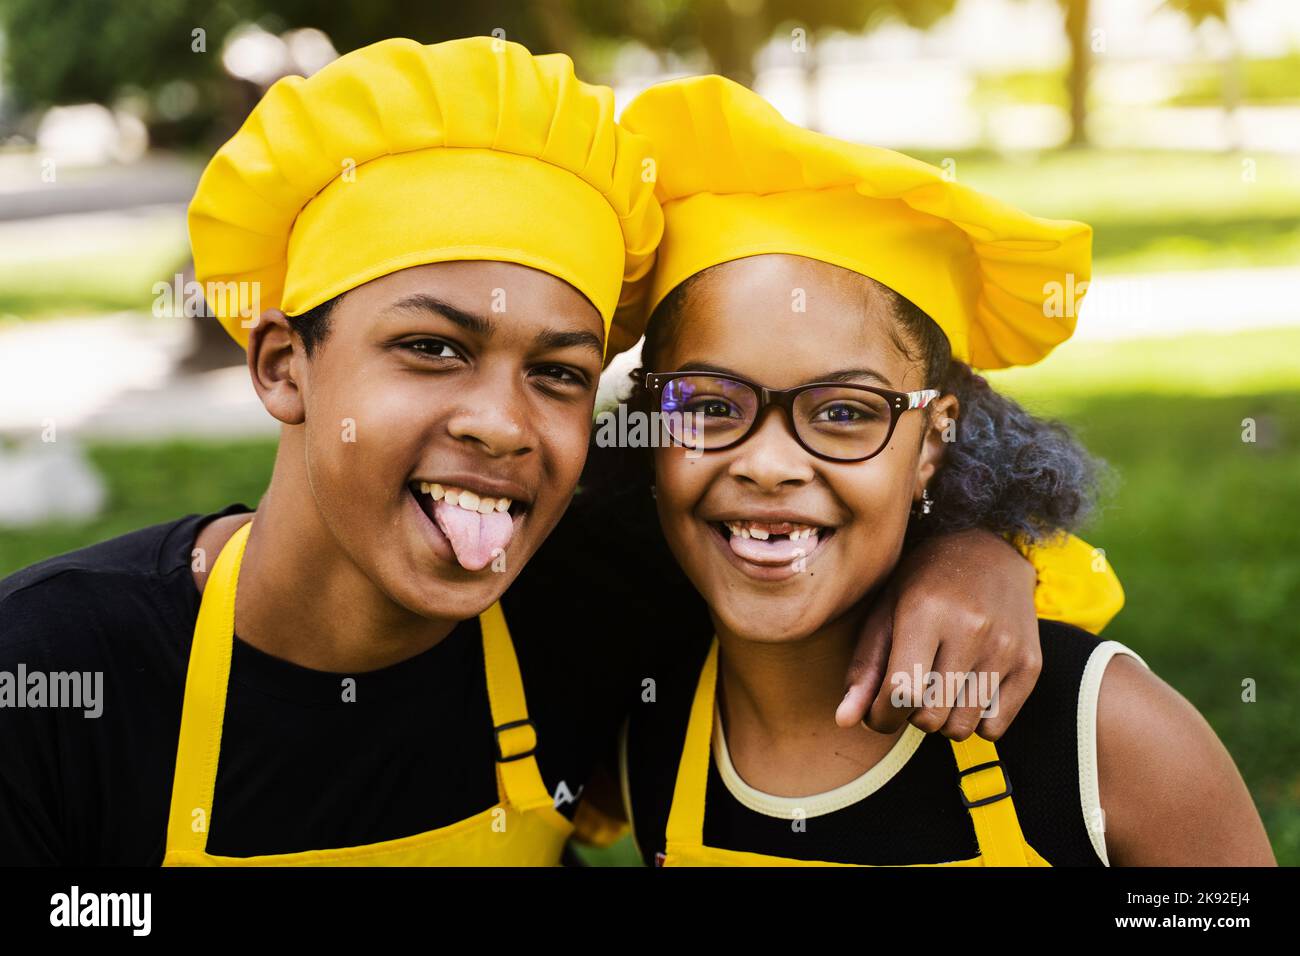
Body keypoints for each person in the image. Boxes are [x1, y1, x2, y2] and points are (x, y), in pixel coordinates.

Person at [0, 37, 1119, 867]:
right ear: (284, 365)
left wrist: (972, 552)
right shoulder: (53, 675)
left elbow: (811, 538)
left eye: (559, 373)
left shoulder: (588, 611)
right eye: (433, 347)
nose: (502, 421)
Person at [614, 75, 1275, 866]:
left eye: (844, 412)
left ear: (933, 440)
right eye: (712, 405)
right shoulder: (648, 716)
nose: (767, 463)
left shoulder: (1101, 733)